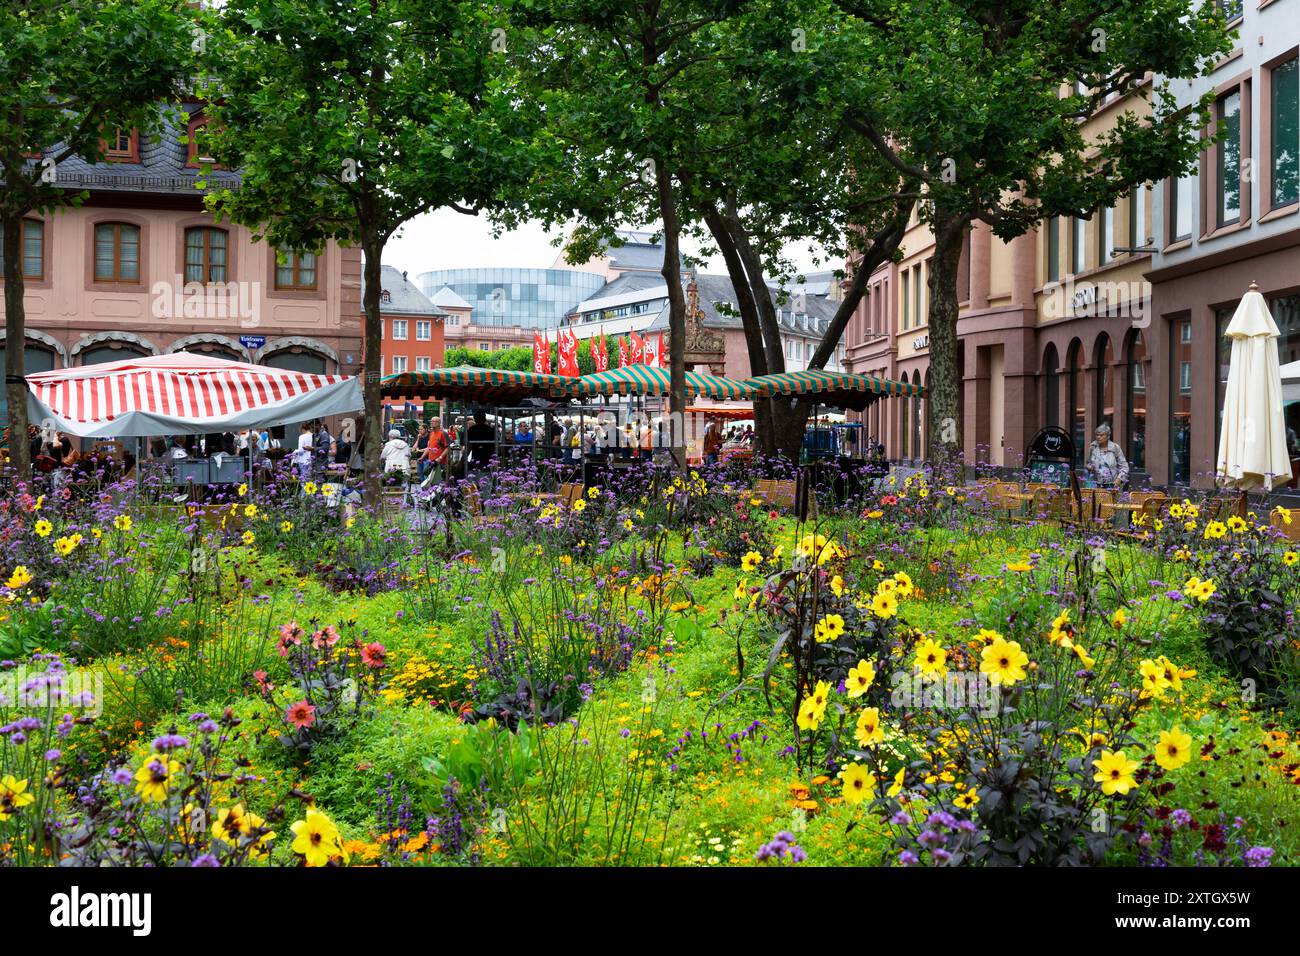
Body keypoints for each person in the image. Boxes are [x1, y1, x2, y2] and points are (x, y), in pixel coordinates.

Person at [1087, 423, 1129, 489]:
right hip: (1095, 484)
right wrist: (1089, 467)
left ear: (1108, 436)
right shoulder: (1093, 447)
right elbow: (1088, 462)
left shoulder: (1115, 448)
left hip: (1112, 484)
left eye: (1101, 435)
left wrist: (1119, 479)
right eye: (1097, 435)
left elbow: (1124, 467)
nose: (1098, 437)